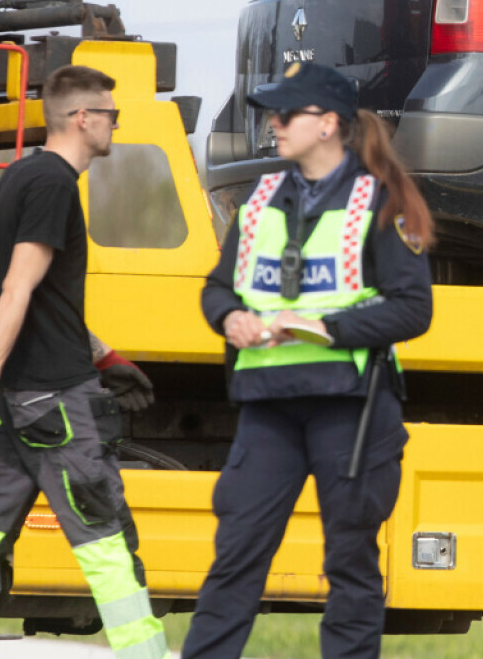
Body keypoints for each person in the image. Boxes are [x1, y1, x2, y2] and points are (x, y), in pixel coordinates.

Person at [0, 65, 165, 659]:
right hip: (56, 405)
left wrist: (102, 353)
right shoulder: (54, 186)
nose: (116, 125)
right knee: (107, 541)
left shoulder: (21, 176)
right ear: (82, 118)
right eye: (111, 114)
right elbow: (16, 290)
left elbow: (41, 297)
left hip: (18, 407)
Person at [181, 62, 433, 659]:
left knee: (349, 562)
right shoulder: (259, 199)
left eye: (286, 112)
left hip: (349, 408)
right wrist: (229, 317)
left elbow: (413, 310)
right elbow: (218, 288)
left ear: (327, 125)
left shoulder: (381, 202)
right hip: (268, 410)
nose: (275, 122)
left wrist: (325, 328)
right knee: (236, 554)